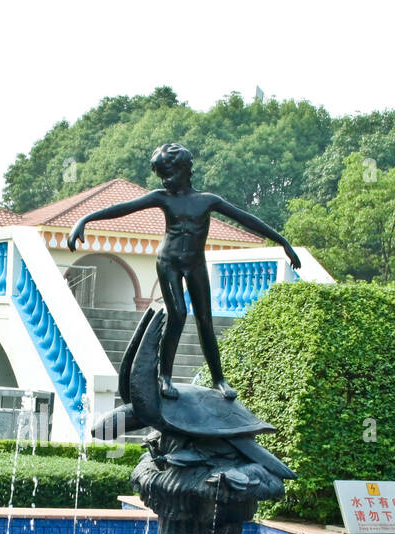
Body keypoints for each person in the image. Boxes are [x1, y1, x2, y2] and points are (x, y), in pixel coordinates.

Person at [68, 143, 301, 400]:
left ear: (185, 170)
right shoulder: (162, 197)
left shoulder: (207, 201)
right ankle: (164, 377)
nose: (165, 181)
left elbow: (246, 218)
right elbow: (124, 208)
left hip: (195, 263)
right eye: (162, 176)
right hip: (168, 262)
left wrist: (282, 242)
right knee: (177, 314)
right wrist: (85, 220)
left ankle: (219, 379)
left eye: (169, 174)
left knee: (205, 320)